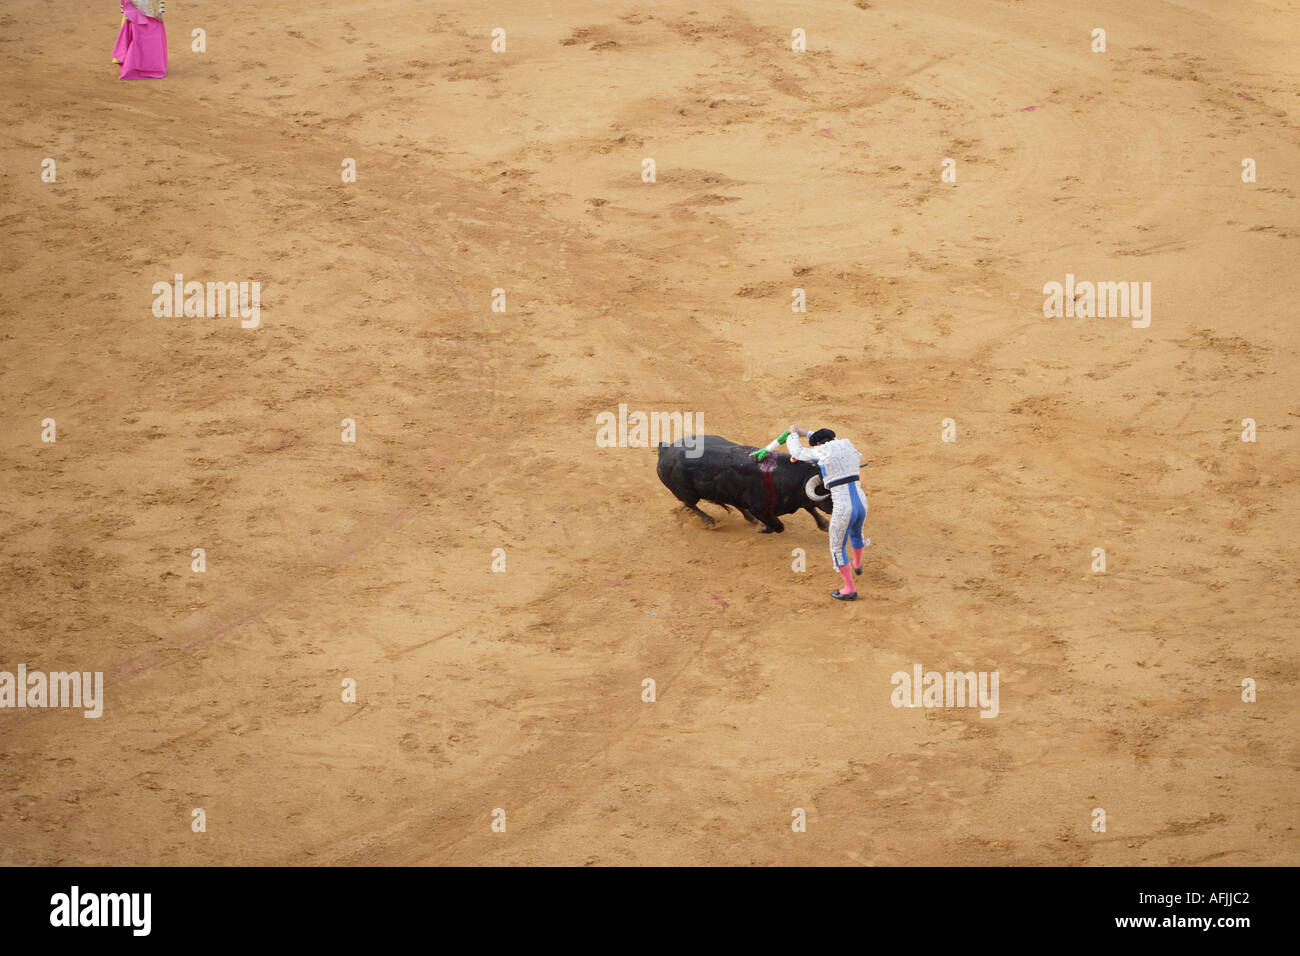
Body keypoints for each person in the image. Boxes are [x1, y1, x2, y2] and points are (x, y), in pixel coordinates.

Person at [785, 426, 868, 601]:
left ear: (818, 444)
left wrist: (793, 434)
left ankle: (849, 589)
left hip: (844, 507)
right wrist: (806, 433)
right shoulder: (846, 445)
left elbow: (797, 452)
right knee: (856, 532)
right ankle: (857, 562)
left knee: (837, 548)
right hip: (861, 502)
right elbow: (828, 440)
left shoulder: (822, 451)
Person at [113, 1, 168, 81]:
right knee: (137, 43)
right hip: (135, 15)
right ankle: (134, 69)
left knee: (152, 43)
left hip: (152, 15)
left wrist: (160, 12)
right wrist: (126, 13)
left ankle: (152, 69)